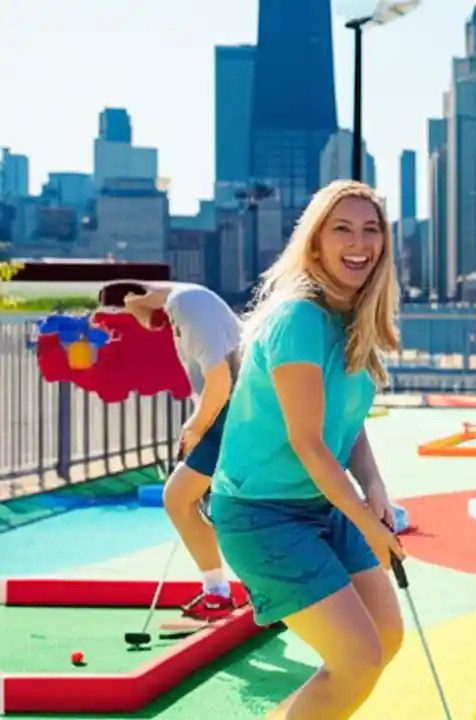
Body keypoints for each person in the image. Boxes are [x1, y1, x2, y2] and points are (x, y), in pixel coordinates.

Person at [207, 180, 405, 719]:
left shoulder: (354, 320)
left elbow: (348, 425)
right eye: (341, 228)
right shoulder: (298, 318)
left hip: (321, 502)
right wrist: (367, 523)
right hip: (262, 513)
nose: (358, 241)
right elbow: (309, 442)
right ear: (314, 243)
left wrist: (377, 486)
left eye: (371, 229)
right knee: (358, 658)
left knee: (385, 638)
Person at [96, 279, 242, 622]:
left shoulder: (188, 303)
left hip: (232, 416)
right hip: (231, 416)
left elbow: (220, 381)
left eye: (119, 316)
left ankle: (221, 593)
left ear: (135, 297)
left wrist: (195, 427)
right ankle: (240, 589)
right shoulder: (183, 305)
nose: (121, 329)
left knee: (179, 498)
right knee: (218, 507)